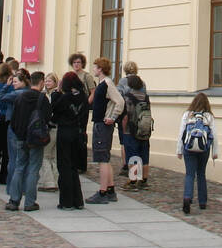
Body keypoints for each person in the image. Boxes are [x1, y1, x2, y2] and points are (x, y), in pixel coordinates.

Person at [5, 71, 50, 212]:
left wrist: (19, 133)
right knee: (33, 169)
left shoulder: (21, 97)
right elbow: (47, 119)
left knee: (19, 167)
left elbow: (14, 118)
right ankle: (30, 202)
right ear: (41, 82)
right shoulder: (43, 99)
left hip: (21, 137)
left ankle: (14, 200)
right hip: (35, 139)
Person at [84, 57, 124, 204]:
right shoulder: (102, 83)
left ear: (100, 69)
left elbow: (119, 101)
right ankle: (111, 189)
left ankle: (102, 192)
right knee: (104, 158)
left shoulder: (107, 83)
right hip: (100, 123)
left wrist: (112, 117)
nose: (94, 69)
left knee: (102, 159)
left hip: (103, 124)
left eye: (95, 67)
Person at [176, 92, 218, 214]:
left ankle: (187, 198)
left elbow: (181, 134)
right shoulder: (209, 116)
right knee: (201, 173)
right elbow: (214, 135)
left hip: (188, 148)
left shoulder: (187, 115)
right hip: (204, 148)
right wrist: (215, 152)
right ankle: (202, 202)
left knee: (189, 174)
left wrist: (179, 150)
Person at [52, 71, 88, 209]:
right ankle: (78, 200)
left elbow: (54, 110)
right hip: (78, 133)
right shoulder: (83, 97)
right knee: (73, 167)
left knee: (64, 166)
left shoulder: (65, 97)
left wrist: (56, 92)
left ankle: (66, 201)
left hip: (65, 132)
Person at [118, 66, 152, 191]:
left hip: (130, 130)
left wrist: (123, 128)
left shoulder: (128, 97)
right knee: (144, 155)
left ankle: (133, 181)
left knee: (132, 155)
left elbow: (126, 116)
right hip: (144, 130)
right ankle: (143, 180)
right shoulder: (145, 97)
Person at [38, 72, 60, 192]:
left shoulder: (52, 96)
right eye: (46, 81)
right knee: (53, 156)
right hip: (57, 129)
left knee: (45, 156)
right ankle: (56, 180)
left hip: (52, 128)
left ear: (55, 82)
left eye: (49, 81)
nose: (47, 83)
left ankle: (49, 182)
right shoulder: (50, 94)